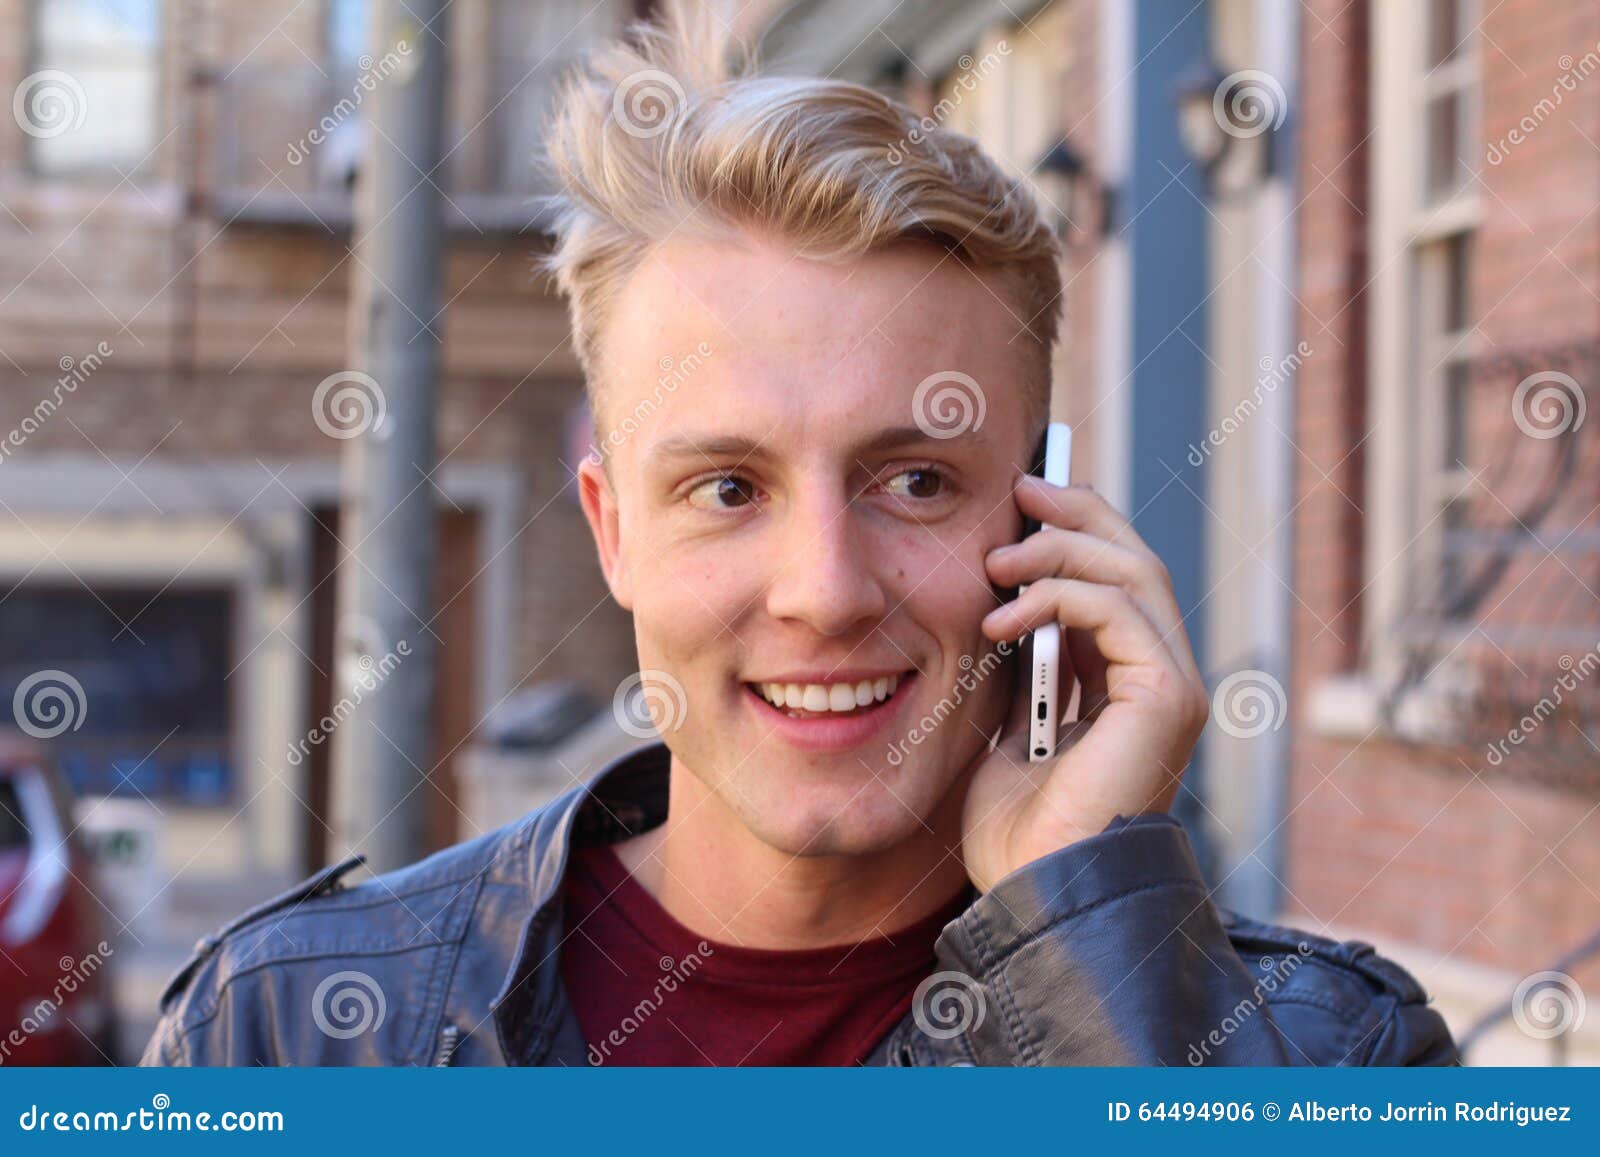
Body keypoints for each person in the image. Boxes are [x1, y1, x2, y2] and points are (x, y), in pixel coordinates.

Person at [143, 1, 1455, 1067]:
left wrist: (1088, 933)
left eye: (916, 481)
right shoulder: (281, 1035)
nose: (824, 590)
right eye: (728, 487)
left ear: (1047, 512)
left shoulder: (1335, 1055)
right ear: (614, 532)